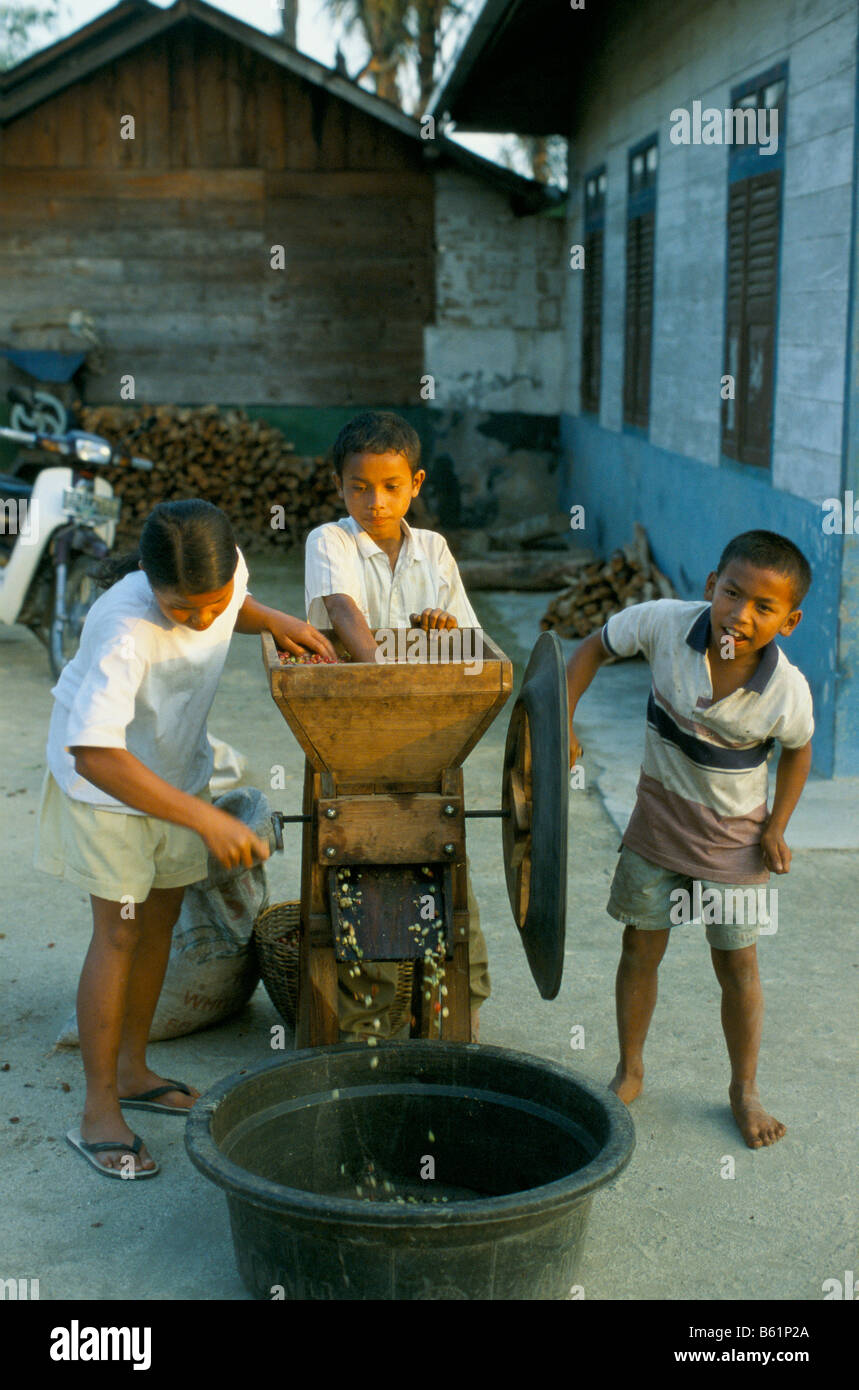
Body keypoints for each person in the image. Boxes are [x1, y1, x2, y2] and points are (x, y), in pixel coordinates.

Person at [35, 499, 335, 1179]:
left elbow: (234, 605)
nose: (201, 619)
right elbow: (93, 753)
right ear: (147, 579)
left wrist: (274, 619)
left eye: (214, 602)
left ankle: (135, 1068)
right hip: (107, 791)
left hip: (173, 772)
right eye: (181, 608)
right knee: (119, 933)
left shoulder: (222, 580)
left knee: (162, 916)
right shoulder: (123, 628)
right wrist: (204, 819)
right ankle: (98, 1111)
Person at [565, 530, 814, 1149]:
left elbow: (799, 750)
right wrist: (562, 724)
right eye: (732, 593)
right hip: (655, 831)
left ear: (790, 621)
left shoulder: (787, 690)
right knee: (640, 951)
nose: (741, 614)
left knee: (738, 967)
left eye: (764, 607)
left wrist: (777, 825)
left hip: (735, 847)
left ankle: (744, 1089)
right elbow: (591, 648)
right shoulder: (663, 624)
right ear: (711, 587)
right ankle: (630, 1070)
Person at [304, 410, 490, 1041]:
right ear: (339, 486)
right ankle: (365, 1015)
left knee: (436, 857)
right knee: (359, 858)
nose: (374, 501)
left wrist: (445, 632)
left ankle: (439, 1016)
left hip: (427, 738)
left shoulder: (433, 549)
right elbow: (341, 609)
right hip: (348, 738)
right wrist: (384, 681)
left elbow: (469, 643)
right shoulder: (329, 542)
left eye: (389, 486)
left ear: (416, 483)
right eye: (359, 487)